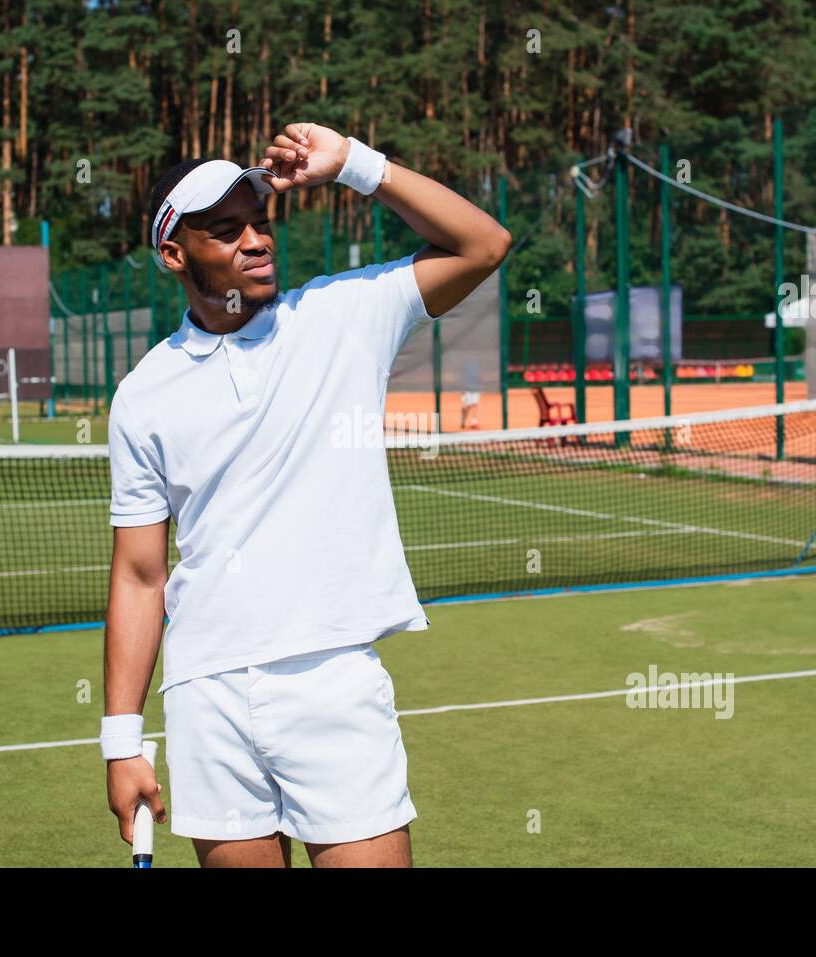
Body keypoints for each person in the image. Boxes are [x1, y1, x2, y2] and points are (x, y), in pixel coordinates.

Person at [101, 122, 511, 868]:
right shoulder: (141, 396)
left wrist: (356, 165)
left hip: (332, 679)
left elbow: (483, 245)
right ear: (174, 254)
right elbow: (139, 573)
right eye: (225, 231)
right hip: (205, 694)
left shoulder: (343, 316)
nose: (256, 240)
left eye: (259, 222)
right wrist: (121, 742)